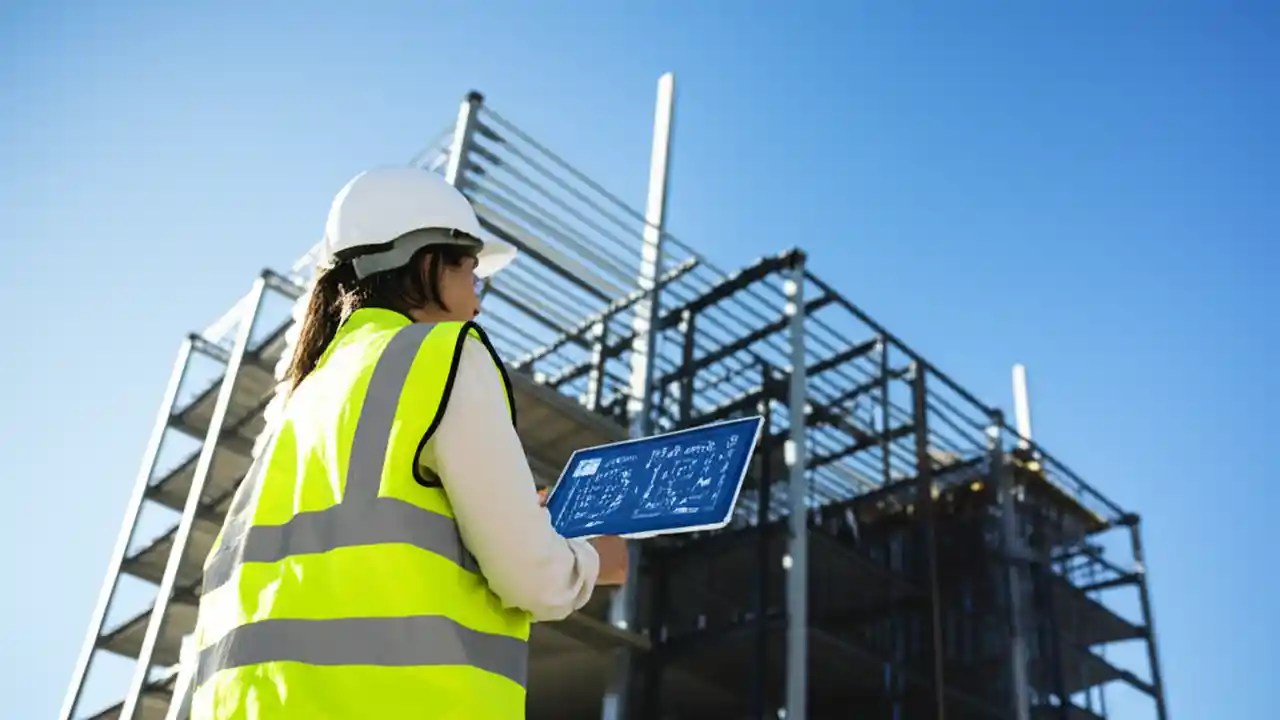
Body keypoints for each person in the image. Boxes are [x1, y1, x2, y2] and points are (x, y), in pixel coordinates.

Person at [189, 166, 630, 719]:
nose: (478, 302)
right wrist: (593, 559)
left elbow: (361, 551)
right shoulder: (443, 354)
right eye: (472, 273)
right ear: (429, 262)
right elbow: (532, 579)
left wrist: (516, 516)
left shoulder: (299, 402)